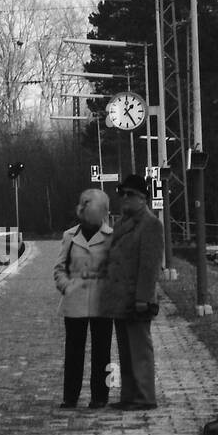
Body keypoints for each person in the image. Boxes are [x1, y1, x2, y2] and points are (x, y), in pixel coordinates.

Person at [101, 174, 164, 410]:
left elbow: (150, 266)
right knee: (126, 352)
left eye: (131, 194)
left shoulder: (150, 224)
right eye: (122, 194)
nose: (124, 198)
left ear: (143, 198)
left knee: (140, 350)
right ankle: (129, 396)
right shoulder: (124, 223)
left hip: (137, 298)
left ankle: (145, 397)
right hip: (120, 298)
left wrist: (143, 298)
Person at [53, 189, 113, 409]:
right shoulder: (70, 236)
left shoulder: (110, 237)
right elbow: (59, 268)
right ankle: (70, 396)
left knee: (102, 352)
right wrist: (65, 286)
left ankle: (100, 396)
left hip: (102, 302)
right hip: (74, 300)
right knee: (73, 351)